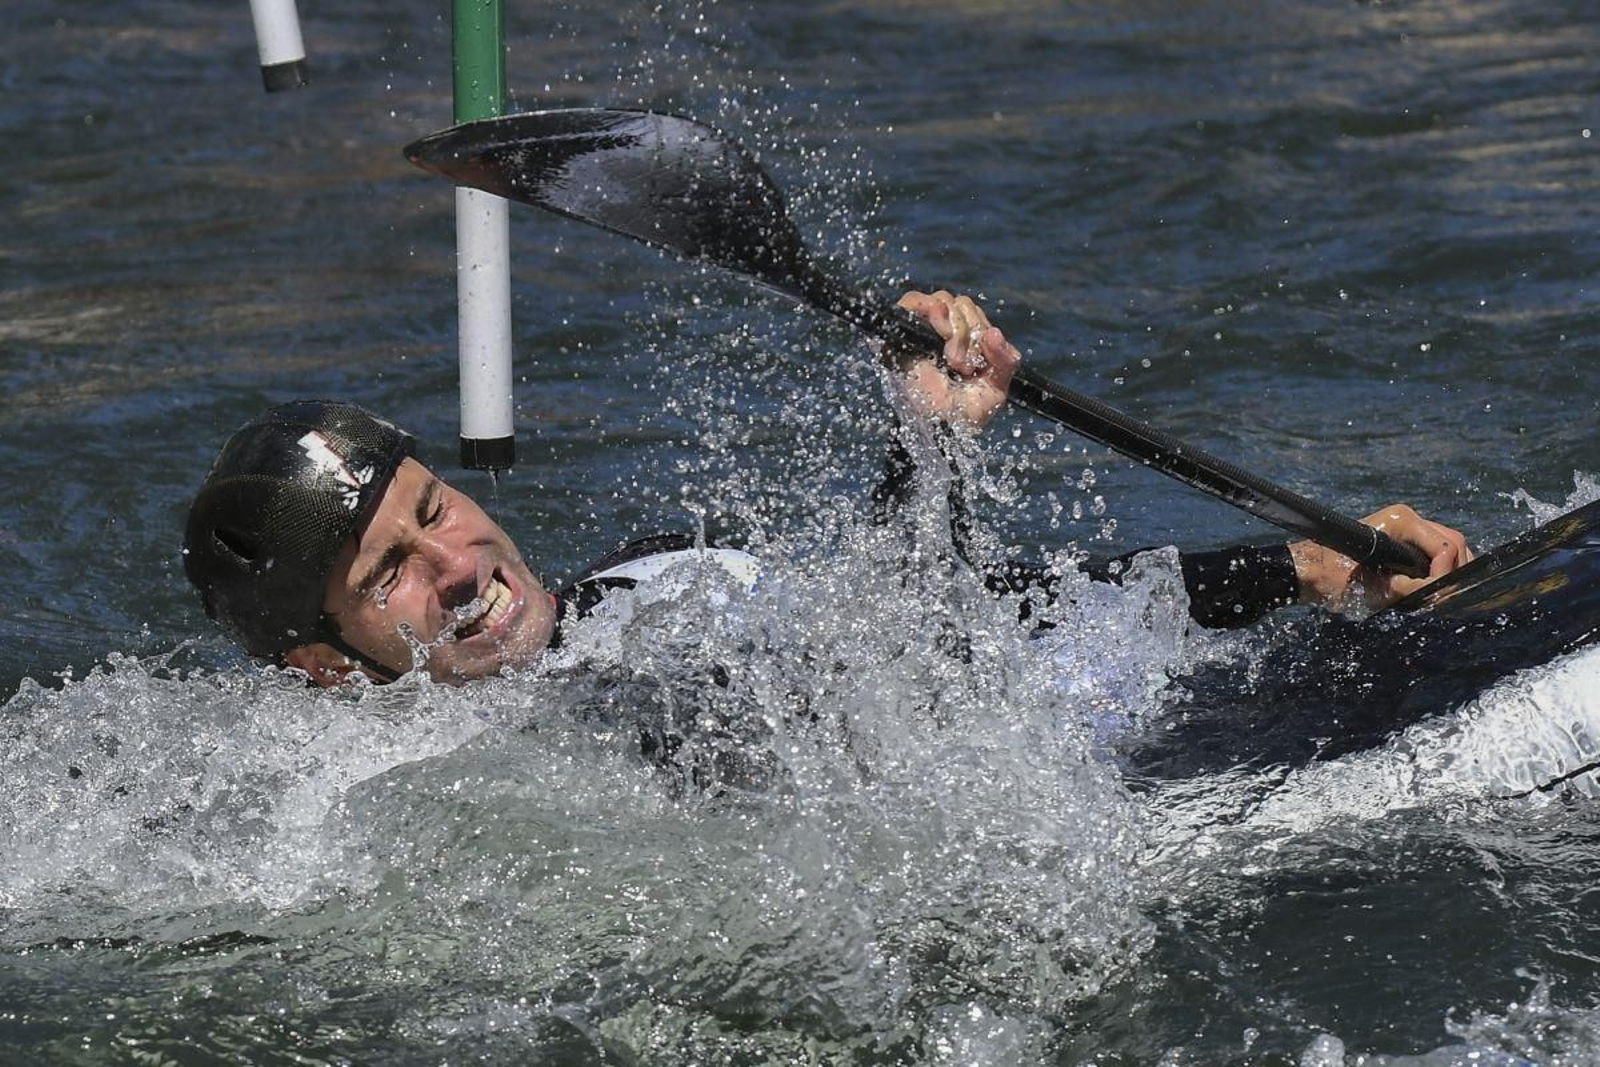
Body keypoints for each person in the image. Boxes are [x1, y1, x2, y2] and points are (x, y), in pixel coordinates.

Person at [183, 291, 1472, 686]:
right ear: (327, 667)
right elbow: (888, 687)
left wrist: (1289, 574)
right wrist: (928, 449)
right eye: (389, 573)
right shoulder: (495, 770)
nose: (458, 562)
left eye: (432, 510)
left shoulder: (657, 573)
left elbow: (981, 615)